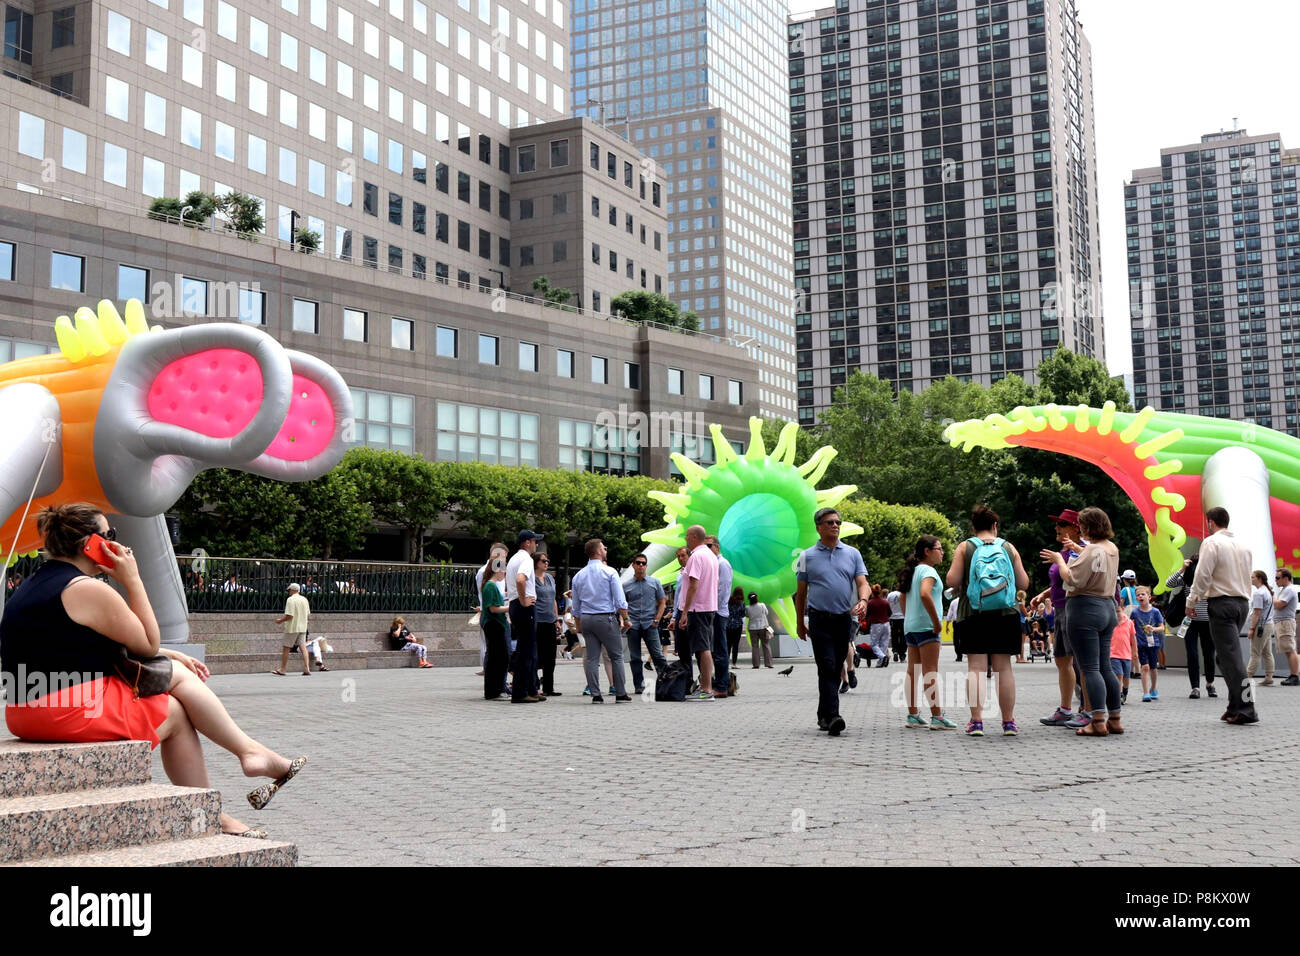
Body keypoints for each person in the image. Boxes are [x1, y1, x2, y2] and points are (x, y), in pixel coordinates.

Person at [1, 503, 305, 839]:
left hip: (24, 709)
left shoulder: (34, 585)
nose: (118, 543)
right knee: (175, 711)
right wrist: (133, 579)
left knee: (174, 678)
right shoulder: (87, 589)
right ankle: (236, 773)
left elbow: (82, 643)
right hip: (66, 710)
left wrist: (167, 652)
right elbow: (146, 644)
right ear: (91, 544)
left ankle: (242, 768)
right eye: (110, 535)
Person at [947, 505, 1029, 737]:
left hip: (973, 612)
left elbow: (952, 580)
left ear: (973, 527)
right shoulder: (1008, 547)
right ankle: (1008, 723)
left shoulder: (966, 546)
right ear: (995, 525)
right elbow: (1023, 583)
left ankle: (977, 721)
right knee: (1004, 668)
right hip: (1006, 612)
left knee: (976, 668)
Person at [1041, 507, 1122, 737]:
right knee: (1105, 667)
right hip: (1106, 606)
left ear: (1088, 527)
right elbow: (1096, 564)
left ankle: (1096, 720)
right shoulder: (1111, 548)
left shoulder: (1092, 550)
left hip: (1085, 609)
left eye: (1083, 524)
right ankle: (1114, 719)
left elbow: (1072, 578)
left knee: (1090, 668)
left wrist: (1059, 559)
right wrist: (1077, 549)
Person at [794, 508, 869, 736]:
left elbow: (862, 582)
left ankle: (824, 715)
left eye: (837, 522)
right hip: (819, 619)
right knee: (826, 666)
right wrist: (799, 622)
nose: (835, 526)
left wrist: (864, 600)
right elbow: (801, 592)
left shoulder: (852, 553)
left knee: (835, 669)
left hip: (842, 619)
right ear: (819, 527)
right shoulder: (807, 556)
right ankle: (834, 716)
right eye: (829, 522)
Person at [1186, 507, 1257, 724]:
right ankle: (1235, 706)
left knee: (1232, 658)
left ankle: (1247, 708)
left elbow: (1203, 574)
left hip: (1222, 603)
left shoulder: (1212, 542)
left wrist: (1192, 600)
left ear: (1211, 522)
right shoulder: (1244, 546)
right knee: (1224, 657)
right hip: (1242, 603)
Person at [1037, 509, 1091, 729]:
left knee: (1082, 662)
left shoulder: (1084, 550)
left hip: (1076, 608)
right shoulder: (1065, 551)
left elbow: (1076, 579)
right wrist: (1043, 594)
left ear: (1076, 528)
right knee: (1062, 659)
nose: (1057, 528)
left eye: (1062, 524)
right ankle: (1065, 710)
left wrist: (1060, 560)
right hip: (1060, 609)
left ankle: (1088, 710)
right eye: (1056, 523)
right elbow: (1061, 581)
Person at [898, 535, 957, 730]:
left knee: (912, 672)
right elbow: (925, 594)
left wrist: (909, 618)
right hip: (926, 627)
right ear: (927, 551)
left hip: (911, 627)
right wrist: (935, 621)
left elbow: (902, 597)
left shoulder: (912, 571)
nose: (942, 552)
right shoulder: (929, 571)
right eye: (939, 549)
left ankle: (913, 715)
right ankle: (937, 716)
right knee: (930, 671)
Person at [570, 538, 631, 702]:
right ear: (598, 551)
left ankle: (596, 694)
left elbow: (575, 606)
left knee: (591, 657)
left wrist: (578, 625)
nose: (606, 550)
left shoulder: (578, 576)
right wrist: (625, 618)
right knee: (616, 656)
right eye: (604, 548)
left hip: (587, 618)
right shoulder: (610, 572)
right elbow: (620, 600)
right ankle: (620, 692)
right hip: (605, 617)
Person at [677, 526, 720, 701]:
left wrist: (685, 611)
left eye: (687, 536)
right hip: (709, 607)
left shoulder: (696, 557)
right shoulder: (711, 556)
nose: (686, 539)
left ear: (694, 537)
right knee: (705, 647)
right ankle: (705, 687)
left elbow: (693, 585)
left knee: (703, 648)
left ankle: (706, 689)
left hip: (698, 608)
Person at [1166, 554, 1217, 699]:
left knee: (1209, 654)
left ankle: (1210, 684)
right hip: (1190, 622)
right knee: (1192, 654)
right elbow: (1169, 583)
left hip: (1208, 621)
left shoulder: (1211, 579)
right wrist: (1182, 568)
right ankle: (1195, 687)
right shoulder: (1187, 579)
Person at [505, 530, 544, 703]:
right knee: (526, 651)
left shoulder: (514, 558)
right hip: (523, 607)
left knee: (527, 649)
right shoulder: (526, 559)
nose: (537, 544)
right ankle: (521, 692)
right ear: (527, 543)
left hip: (515, 605)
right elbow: (521, 579)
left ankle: (531, 689)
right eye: (535, 541)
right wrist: (524, 600)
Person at [624, 552, 668, 695]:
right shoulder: (626, 585)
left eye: (643, 563)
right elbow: (621, 605)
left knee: (658, 655)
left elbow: (662, 602)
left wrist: (657, 619)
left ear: (646, 566)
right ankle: (639, 685)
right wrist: (625, 620)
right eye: (638, 563)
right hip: (634, 625)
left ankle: (666, 682)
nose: (641, 566)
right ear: (633, 565)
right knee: (635, 657)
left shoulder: (655, 582)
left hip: (650, 624)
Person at [703, 535, 733, 698]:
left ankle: (722, 686)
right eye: (704, 546)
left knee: (720, 650)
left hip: (718, 612)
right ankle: (719, 683)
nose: (706, 549)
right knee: (714, 650)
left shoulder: (722, 564)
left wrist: (713, 608)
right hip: (712, 611)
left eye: (709, 546)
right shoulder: (712, 564)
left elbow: (724, 590)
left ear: (717, 547)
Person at [481, 563, 511, 701]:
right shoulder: (490, 586)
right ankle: (493, 691)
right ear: (497, 570)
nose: (504, 575)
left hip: (496, 624)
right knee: (497, 657)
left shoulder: (491, 585)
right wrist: (508, 608)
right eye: (504, 572)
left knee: (500, 656)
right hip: (494, 624)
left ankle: (496, 690)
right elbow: (493, 608)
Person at [534, 552, 562, 696]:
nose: (546, 563)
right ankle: (534, 684)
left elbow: (553, 600)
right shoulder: (531, 578)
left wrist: (556, 619)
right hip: (537, 621)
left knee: (550, 656)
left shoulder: (550, 578)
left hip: (550, 620)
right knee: (537, 655)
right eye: (543, 561)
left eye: (547, 560)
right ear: (536, 562)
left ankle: (548, 688)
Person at [1131, 587, 1164, 701]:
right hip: (1141, 644)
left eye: (1143, 594)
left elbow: (1162, 628)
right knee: (1144, 667)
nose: (1140, 596)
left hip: (1153, 644)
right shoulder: (1134, 612)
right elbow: (1131, 627)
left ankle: (1153, 688)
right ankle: (1146, 693)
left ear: (1149, 597)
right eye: (1138, 595)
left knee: (1153, 668)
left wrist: (1153, 629)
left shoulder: (1155, 611)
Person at [271, 583, 312, 676]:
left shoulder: (290, 600)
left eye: (289, 590)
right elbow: (307, 614)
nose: (289, 592)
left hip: (292, 628)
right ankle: (307, 668)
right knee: (303, 647)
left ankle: (283, 669)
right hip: (303, 627)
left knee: (286, 647)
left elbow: (289, 616)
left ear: (293, 590)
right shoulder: (304, 599)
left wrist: (280, 621)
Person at [1247, 570, 1276, 686]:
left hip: (1261, 626)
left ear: (1259, 579)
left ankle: (1248, 676)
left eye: (1253, 577)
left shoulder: (1259, 593)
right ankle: (1269, 676)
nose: (1251, 579)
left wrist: (1251, 629)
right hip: (1269, 625)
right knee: (1267, 652)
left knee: (1255, 652)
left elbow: (1256, 613)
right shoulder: (1267, 591)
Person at [1273, 569, 1299, 686]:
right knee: (1288, 650)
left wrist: (1271, 597)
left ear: (1286, 578)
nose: (1276, 580)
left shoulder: (1289, 590)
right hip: (1283, 623)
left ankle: (1295, 676)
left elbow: (1279, 605)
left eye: (1278, 578)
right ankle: (1293, 675)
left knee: (1290, 650)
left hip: (1285, 623)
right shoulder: (1285, 590)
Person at [1109, 597, 1135, 704]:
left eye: (1118, 611)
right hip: (1113, 654)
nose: (1116, 614)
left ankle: (1125, 692)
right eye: (1114, 612)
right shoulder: (1110, 622)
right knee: (1118, 674)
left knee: (1126, 677)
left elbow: (1133, 638)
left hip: (1126, 655)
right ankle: (1118, 695)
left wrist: (1135, 651)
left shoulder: (1129, 622)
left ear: (1123, 609)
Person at [864, 584, 892, 669]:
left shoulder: (870, 603)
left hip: (876, 624)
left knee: (874, 644)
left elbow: (867, 615)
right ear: (880, 592)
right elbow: (890, 613)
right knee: (884, 643)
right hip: (886, 624)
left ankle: (883, 657)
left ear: (872, 592)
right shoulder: (885, 602)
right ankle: (880, 662)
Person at [744, 593, 773, 668]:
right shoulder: (762, 605)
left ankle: (756, 664)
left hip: (752, 628)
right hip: (763, 627)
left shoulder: (747, 607)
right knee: (766, 645)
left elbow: (747, 615)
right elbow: (766, 613)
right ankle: (769, 663)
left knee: (755, 646)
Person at [727, 587, 746, 668]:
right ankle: (734, 663)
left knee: (728, 644)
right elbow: (743, 614)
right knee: (735, 645)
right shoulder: (742, 603)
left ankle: (726, 662)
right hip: (738, 625)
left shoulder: (729, 601)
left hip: (728, 625)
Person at [886, 585, 906, 662]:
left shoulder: (890, 595)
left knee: (894, 636)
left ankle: (895, 651)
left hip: (893, 618)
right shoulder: (904, 594)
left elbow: (887, 605)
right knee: (903, 637)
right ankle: (902, 654)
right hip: (902, 617)